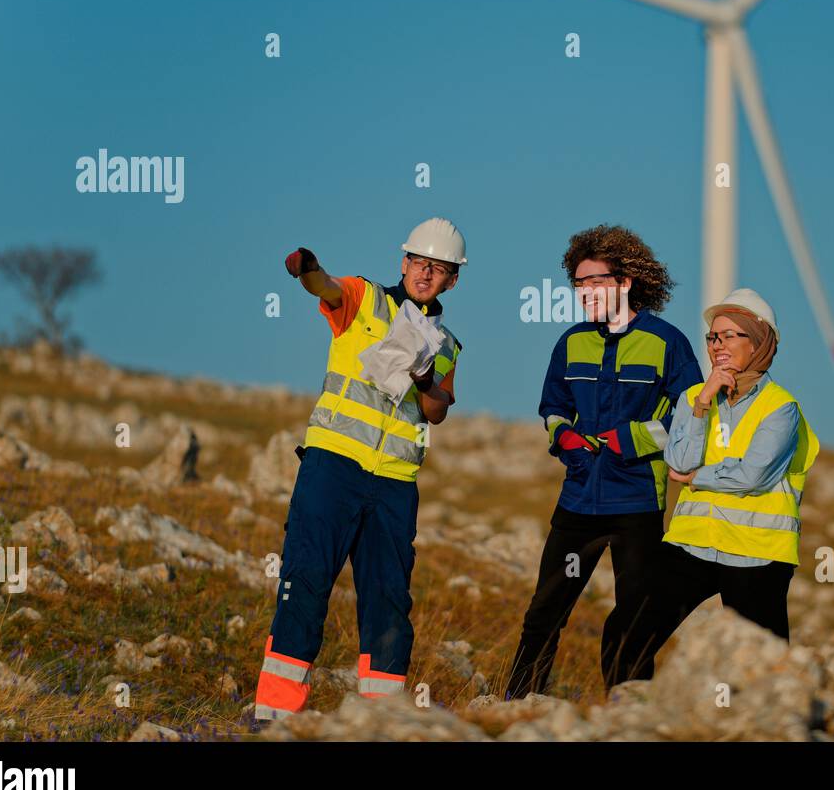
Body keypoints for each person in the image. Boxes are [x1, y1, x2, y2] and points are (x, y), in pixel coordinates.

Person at [253, 217, 466, 720]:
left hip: (394, 485)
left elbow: (437, 408)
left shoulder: (448, 344)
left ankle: (382, 720)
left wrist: (424, 376)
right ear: (404, 262)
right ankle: (275, 719)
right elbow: (322, 287)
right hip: (333, 469)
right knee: (305, 582)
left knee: (389, 602)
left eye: (439, 268)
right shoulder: (364, 298)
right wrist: (305, 266)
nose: (426, 274)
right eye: (419, 263)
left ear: (452, 279)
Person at [504, 225, 702, 698]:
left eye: (595, 282)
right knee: (545, 610)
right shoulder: (571, 343)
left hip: (636, 501)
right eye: (579, 283)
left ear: (626, 282)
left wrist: (633, 438)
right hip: (578, 503)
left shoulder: (667, 343)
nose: (585, 292)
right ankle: (518, 703)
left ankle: (627, 711)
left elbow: (692, 414)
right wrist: (564, 437)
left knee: (633, 614)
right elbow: (551, 405)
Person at [609, 287, 819, 685]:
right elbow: (678, 460)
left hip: (756, 556)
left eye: (728, 336)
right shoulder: (693, 398)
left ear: (758, 342)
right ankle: (628, 718)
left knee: (761, 671)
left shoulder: (781, 408)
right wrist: (702, 403)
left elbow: (753, 476)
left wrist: (698, 479)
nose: (716, 345)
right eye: (712, 337)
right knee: (626, 631)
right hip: (692, 547)